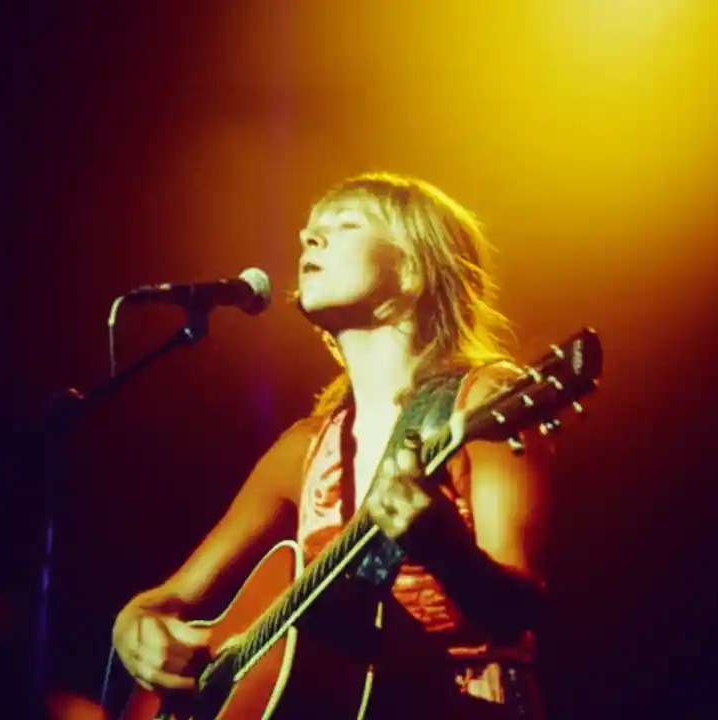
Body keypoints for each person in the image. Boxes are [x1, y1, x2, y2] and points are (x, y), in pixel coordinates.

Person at [110, 172, 551, 718]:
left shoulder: (484, 402)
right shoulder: (305, 447)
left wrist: (445, 549)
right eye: (308, 232)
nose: (309, 240)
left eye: (345, 225)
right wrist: (133, 623)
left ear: (411, 270)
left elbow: (520, 609)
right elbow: (167, 600)